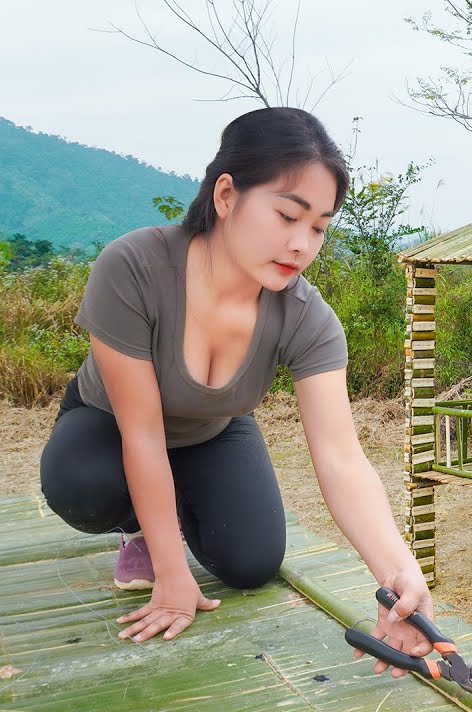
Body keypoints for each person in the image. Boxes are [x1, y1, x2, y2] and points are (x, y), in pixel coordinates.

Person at [39, 107, 431, 678]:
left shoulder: (306, 317)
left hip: (211, 430)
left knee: (251, 562)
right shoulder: (133, 267)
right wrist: (173, 574)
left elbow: (341, 457)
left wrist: (397, 573)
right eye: (286, 215)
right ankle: (145, 531)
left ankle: (175, 515)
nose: (301, 243)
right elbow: (142, 433)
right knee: (80, 484)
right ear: (226, 195)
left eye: (319, 227)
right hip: (112, 425)